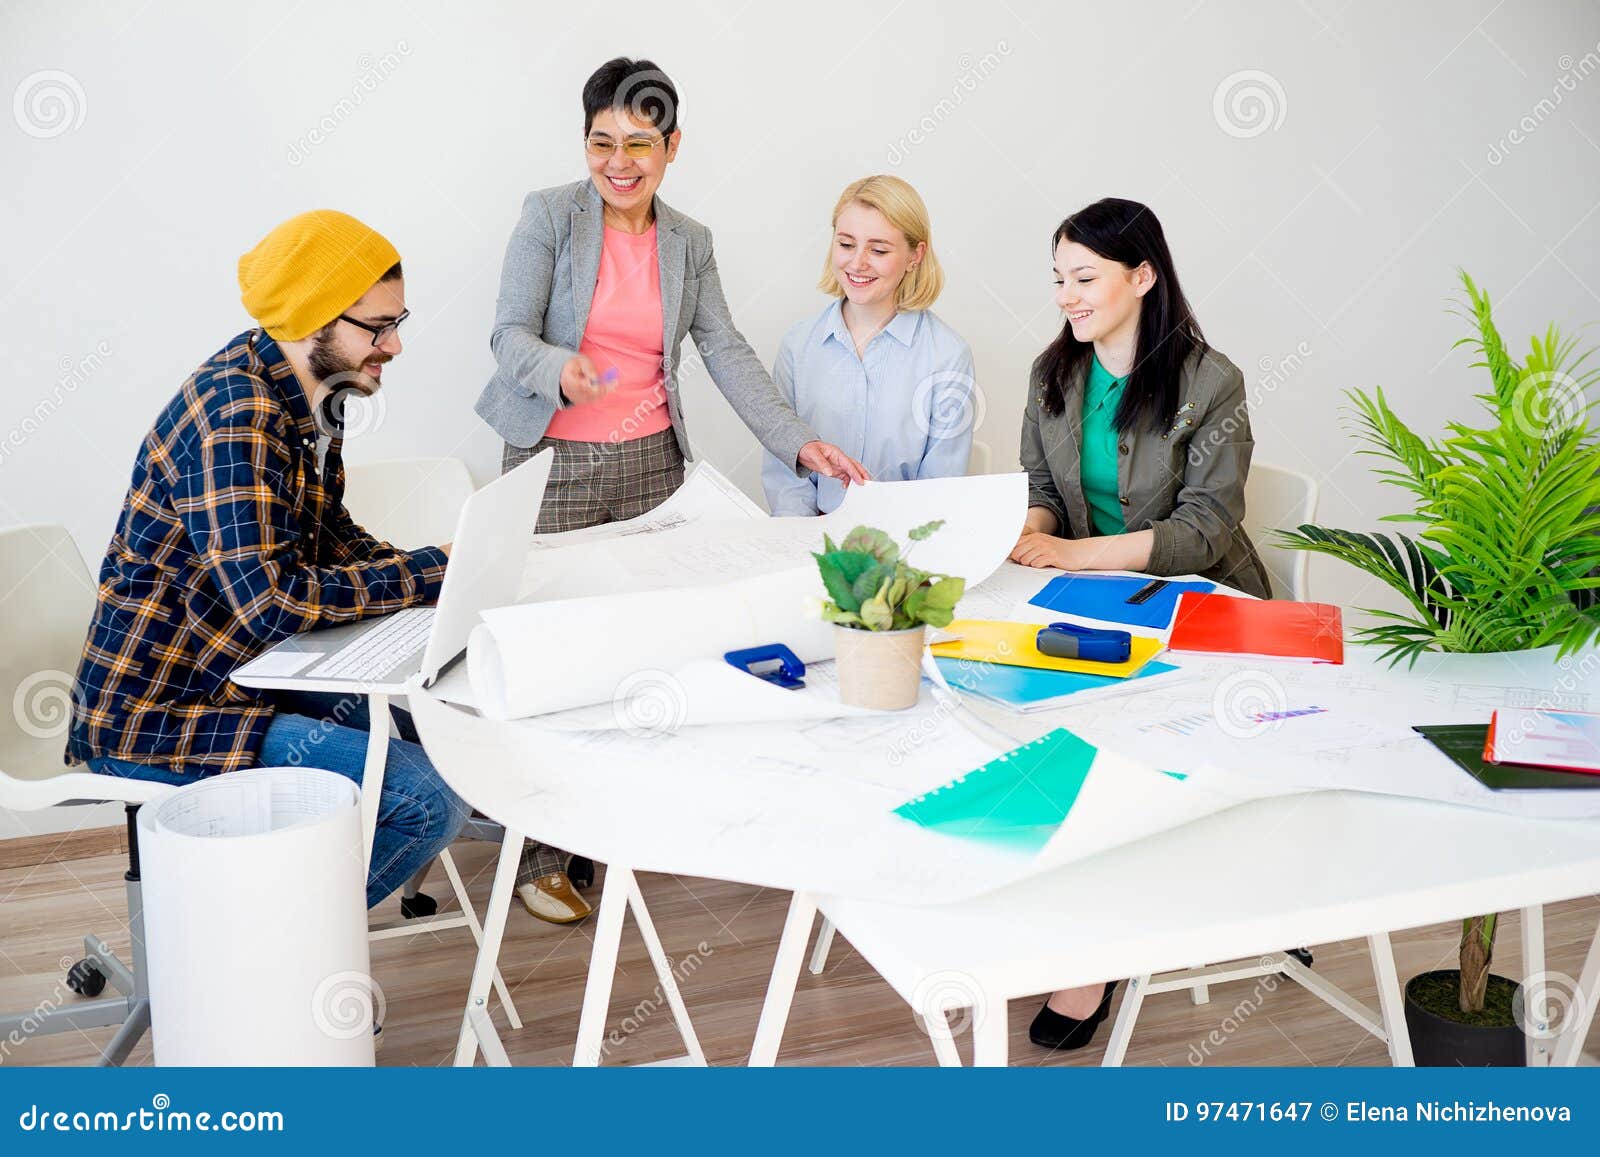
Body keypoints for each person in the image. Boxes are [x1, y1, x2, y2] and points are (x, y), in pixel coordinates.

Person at [474, 57, 869, 922]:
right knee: (560, 648)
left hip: (654, 466)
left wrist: (798, 442)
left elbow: (724, 350)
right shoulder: (547, 217)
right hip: (556, 464)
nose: (620, 162)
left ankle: (632, 821)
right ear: (585, 143)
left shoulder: (689, 240)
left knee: (652, 643)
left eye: (640, 144)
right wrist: (559, 367)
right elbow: (507, 333)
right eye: (602, 142)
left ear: (672, 146)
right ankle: (547, 845)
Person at [66, 209, 469, 912]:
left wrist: (443, 576)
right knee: (425, 800)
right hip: (163, 713)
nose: (396, 344)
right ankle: (251, 964)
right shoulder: (237, 417)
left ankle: (265, 941)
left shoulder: (308, 393)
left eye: (398, 319)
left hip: (244, 674)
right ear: (309, 319)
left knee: (452, 743)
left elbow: (332, 535)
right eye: (377, 327)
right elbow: (271, 602)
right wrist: (430, 571)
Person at [1012, 197, 1270, 1051]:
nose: (1067, 296)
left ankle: (1098, 955)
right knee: (1031, 722)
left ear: (1143, 276)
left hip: (1204, 610)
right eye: (1059, 279)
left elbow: (1206, 530)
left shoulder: (1211, 380)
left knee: (1119, 742)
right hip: (1103, 609)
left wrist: (1075, 559)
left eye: (1084, 278)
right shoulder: (1055, 376)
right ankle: (1076, 913)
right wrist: (1034, 535)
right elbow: (1043, 492)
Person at [762, 175, 976, 516]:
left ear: (914, 255)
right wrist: (805, 547)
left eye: (878, 250)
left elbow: (939, 486)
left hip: (904, 552)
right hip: (812, 545)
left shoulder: (948, 356)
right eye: (846, 244)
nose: (858, 262)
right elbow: (786, 473)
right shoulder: (798, 346)